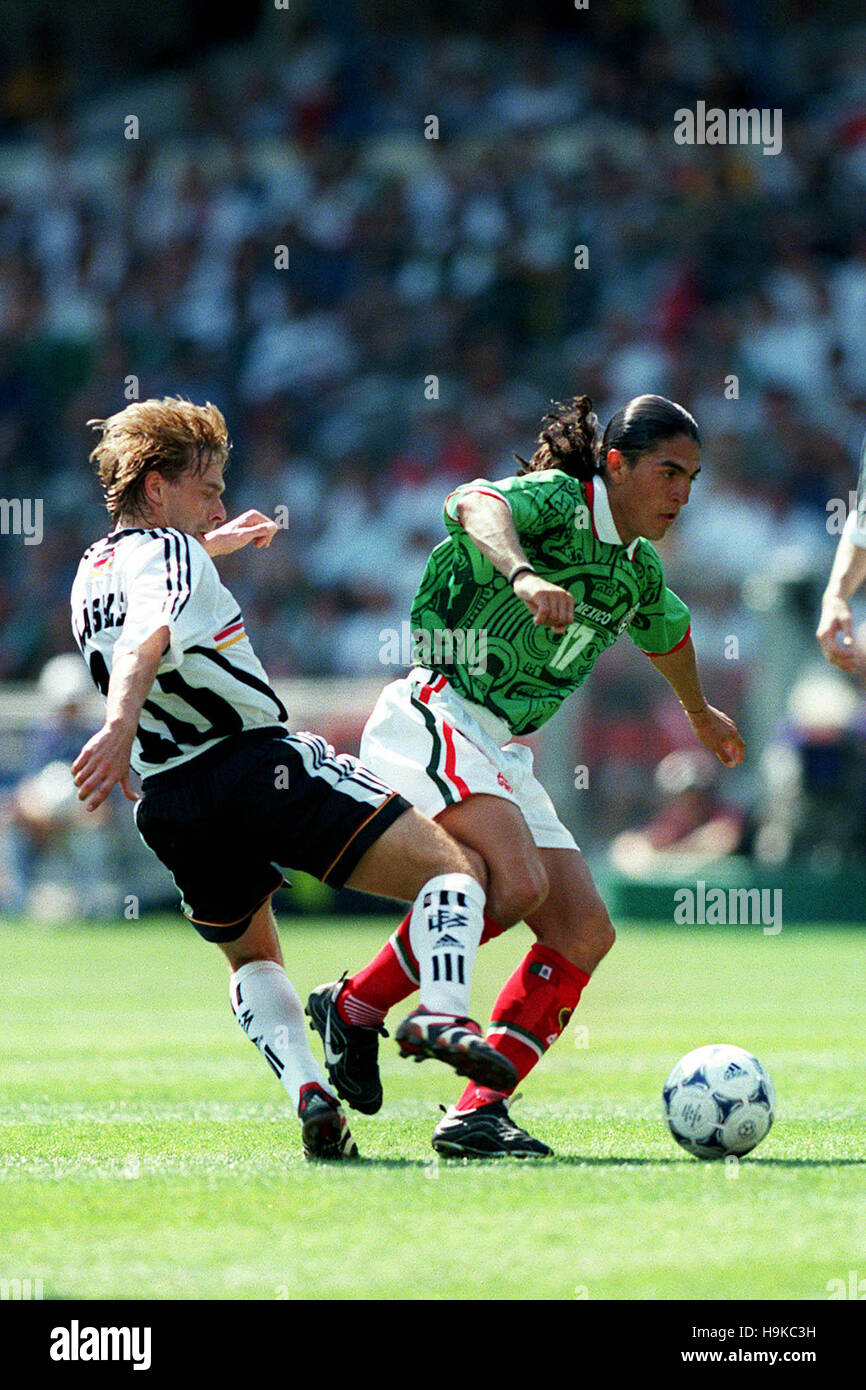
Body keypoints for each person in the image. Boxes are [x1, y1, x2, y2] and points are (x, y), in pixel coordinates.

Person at [69, 396, 517, 1162]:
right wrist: (114, 725)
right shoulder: (170, 555)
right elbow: (150, 636)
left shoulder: (87, 576)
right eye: (207, 489)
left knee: (253, 958)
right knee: (459, 874)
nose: (220, 502)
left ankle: (309, 1091)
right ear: (155, 489)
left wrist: (214, 541)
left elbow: (145, 598)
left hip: (172, 801)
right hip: (255, 766)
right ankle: (443, 1013)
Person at [309, 393, 746, 1157]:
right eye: (668, 472)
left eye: (693, 478)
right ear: (616, 465)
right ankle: (356, 1005)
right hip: (439, 707)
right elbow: (471, 503)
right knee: (511, 884)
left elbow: (669, 634)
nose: (682, 494)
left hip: (501, 744)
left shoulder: (637, 571)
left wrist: (701, 713)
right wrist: (517, 575)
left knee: (583, 931)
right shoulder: (558, 502)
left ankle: (476, 1111)